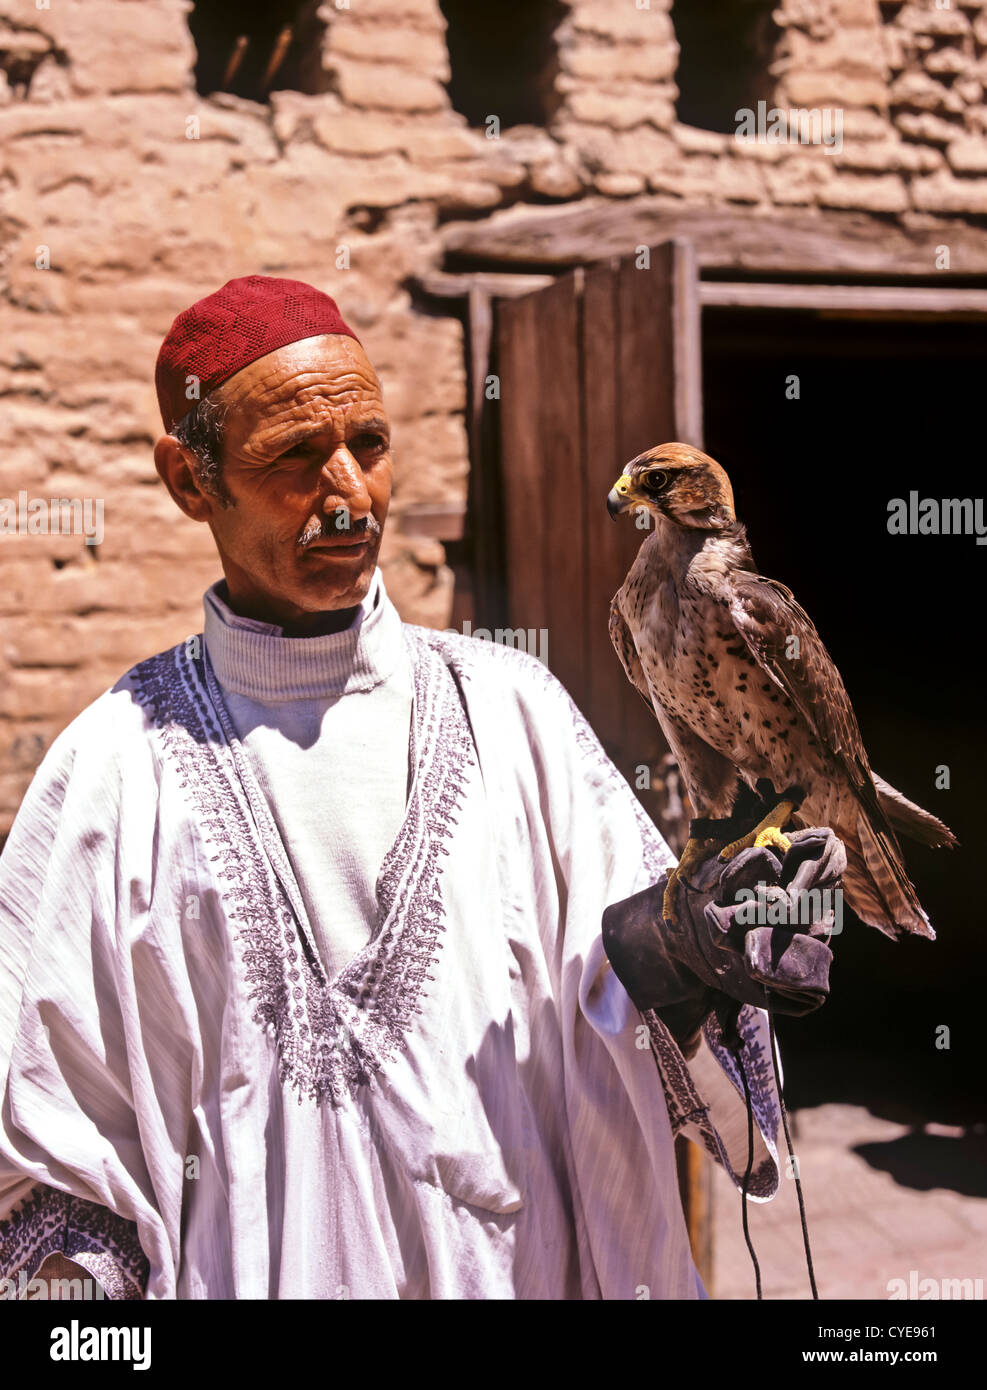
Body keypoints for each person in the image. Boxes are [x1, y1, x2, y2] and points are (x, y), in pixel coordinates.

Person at [0, 276, 841, 1300]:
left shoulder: (514, 711)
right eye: (296, 457)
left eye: (370, 443)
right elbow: (56, 1170)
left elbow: (642, 1019)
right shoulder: (110, 774)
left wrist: (689, 952)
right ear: (189, 480)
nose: (351, 491)